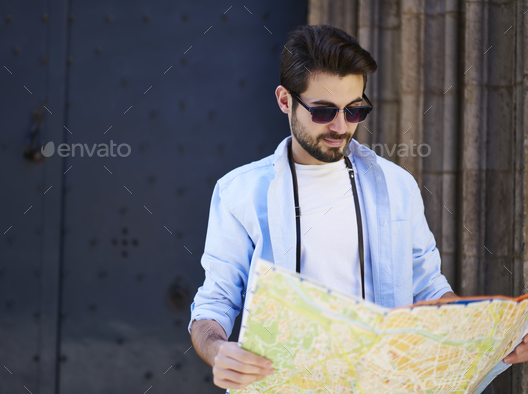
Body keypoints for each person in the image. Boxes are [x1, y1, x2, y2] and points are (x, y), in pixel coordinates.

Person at [187, 24, 526, 391]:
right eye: (323, 111)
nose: (340, 126)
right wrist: (219, 350)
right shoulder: (239, 192)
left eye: (354, 111)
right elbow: (213, 305)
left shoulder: (398, 185)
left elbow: (429, 290)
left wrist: (485, 339)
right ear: (285, 100)